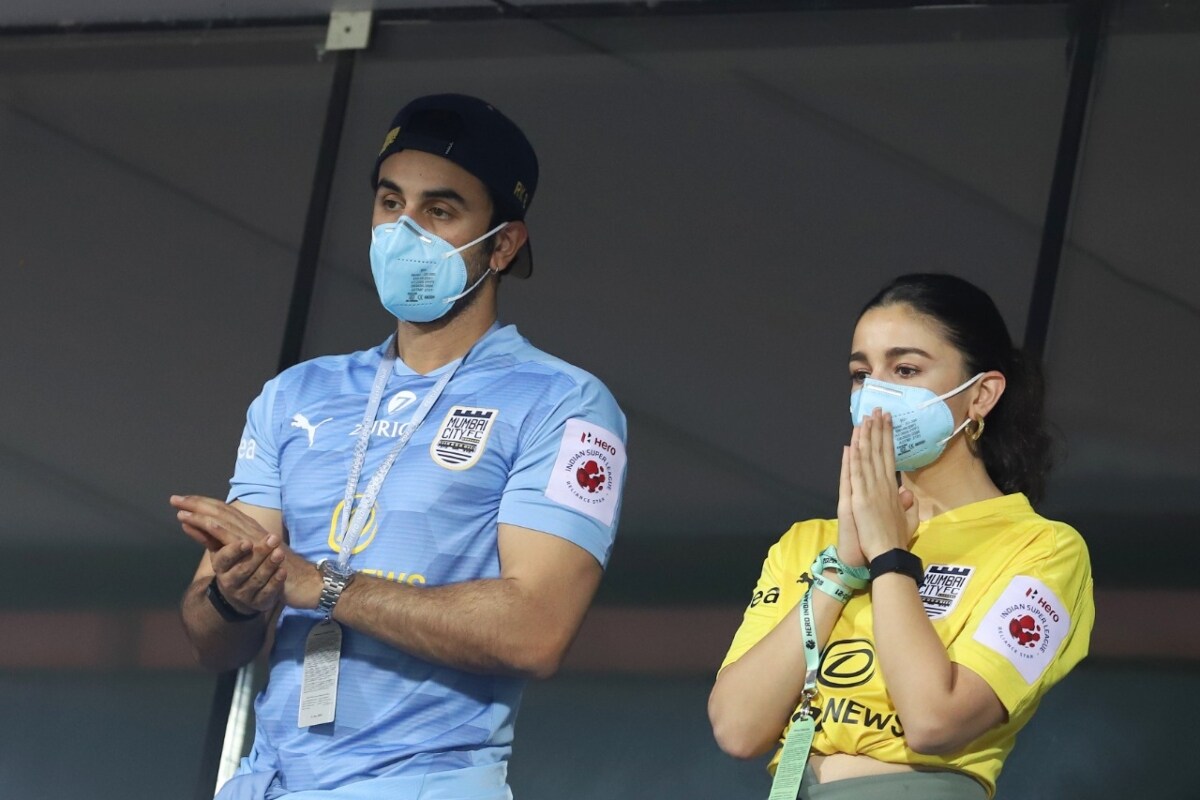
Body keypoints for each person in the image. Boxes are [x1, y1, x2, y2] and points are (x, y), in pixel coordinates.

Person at [173, 93, 628, 800]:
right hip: (265, 784)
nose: (403, 229)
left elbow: (536, 631)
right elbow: (213, 639)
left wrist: (317, 584)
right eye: (391, 203)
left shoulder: (565, 404)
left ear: (504, 244)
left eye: (439, 212)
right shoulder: (294, 396)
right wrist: (235, 595)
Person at [708, 273, 1093, 800]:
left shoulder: (1042, 548)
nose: (876, 394)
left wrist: (890, 558)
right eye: (861, 373)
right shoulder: (806, 542)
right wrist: (843, 566)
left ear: (981, 394)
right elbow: (737, 728)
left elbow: (936, 721)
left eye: (905, 369)